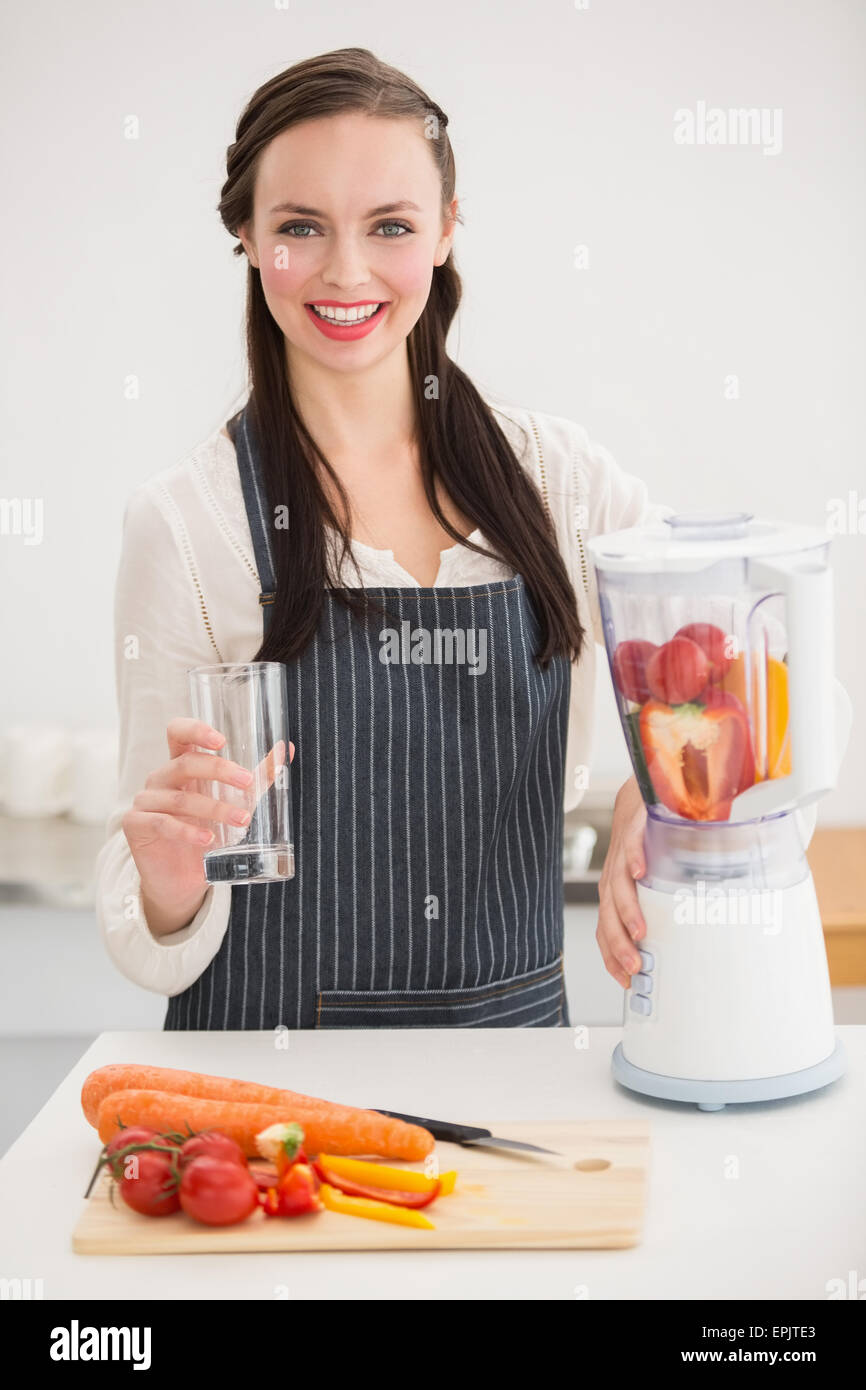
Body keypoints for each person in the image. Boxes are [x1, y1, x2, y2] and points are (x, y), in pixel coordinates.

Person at [95, 47, 668, 1030]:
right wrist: (171, 881)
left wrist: (648, 800)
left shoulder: (563, 484)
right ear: (246, 236)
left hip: (514, 1077)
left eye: (390, 225)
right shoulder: (187, 523)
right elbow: (148, 911)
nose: (346, 271)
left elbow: (743, 668)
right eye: (300, 227)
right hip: (271, 1095)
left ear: (446, 230)